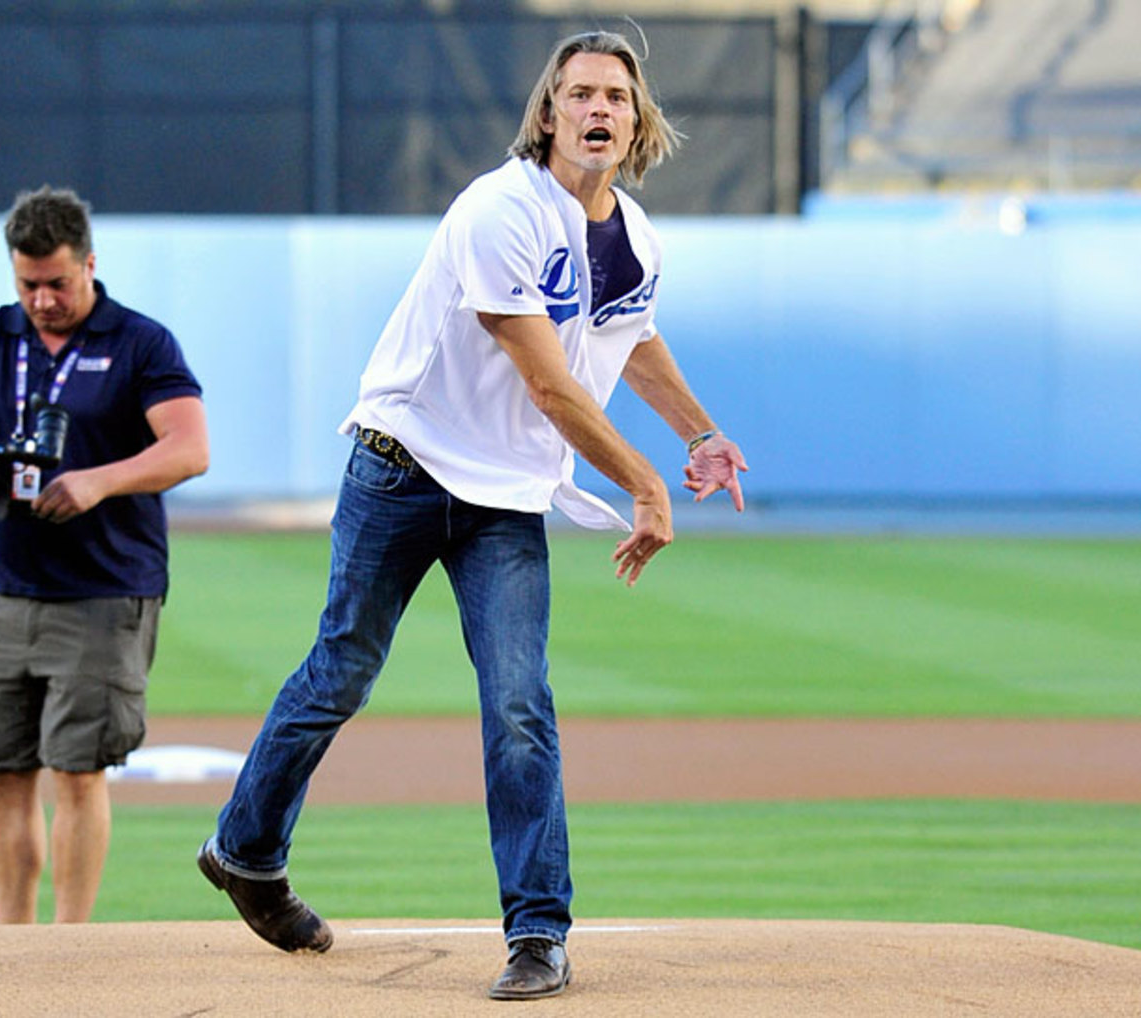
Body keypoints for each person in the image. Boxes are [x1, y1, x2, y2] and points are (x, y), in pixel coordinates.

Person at [198, 29, 746, 1000]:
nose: (598, 110)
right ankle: (246, 850)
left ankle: (538, 931)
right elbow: (548, 384)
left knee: (520, 704)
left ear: (638, 118)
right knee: (341, 670)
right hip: (400, 470)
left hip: (503, 500)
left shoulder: (634, 236)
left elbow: (632, 338)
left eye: (616, 96)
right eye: (578, 93)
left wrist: (700, 432)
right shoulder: (500, 210)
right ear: (547, 113)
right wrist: (644, 483)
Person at [0, 185, 210, 924]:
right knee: (0, 773)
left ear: (89, 264)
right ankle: (13, 940)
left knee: (79, 773)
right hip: (4, 583)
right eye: (28, 284)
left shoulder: (138, 342)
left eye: (58, 282)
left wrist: (100, 481)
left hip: (104, 588)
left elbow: (191, 448)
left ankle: (69, 945)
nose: (43, 300)